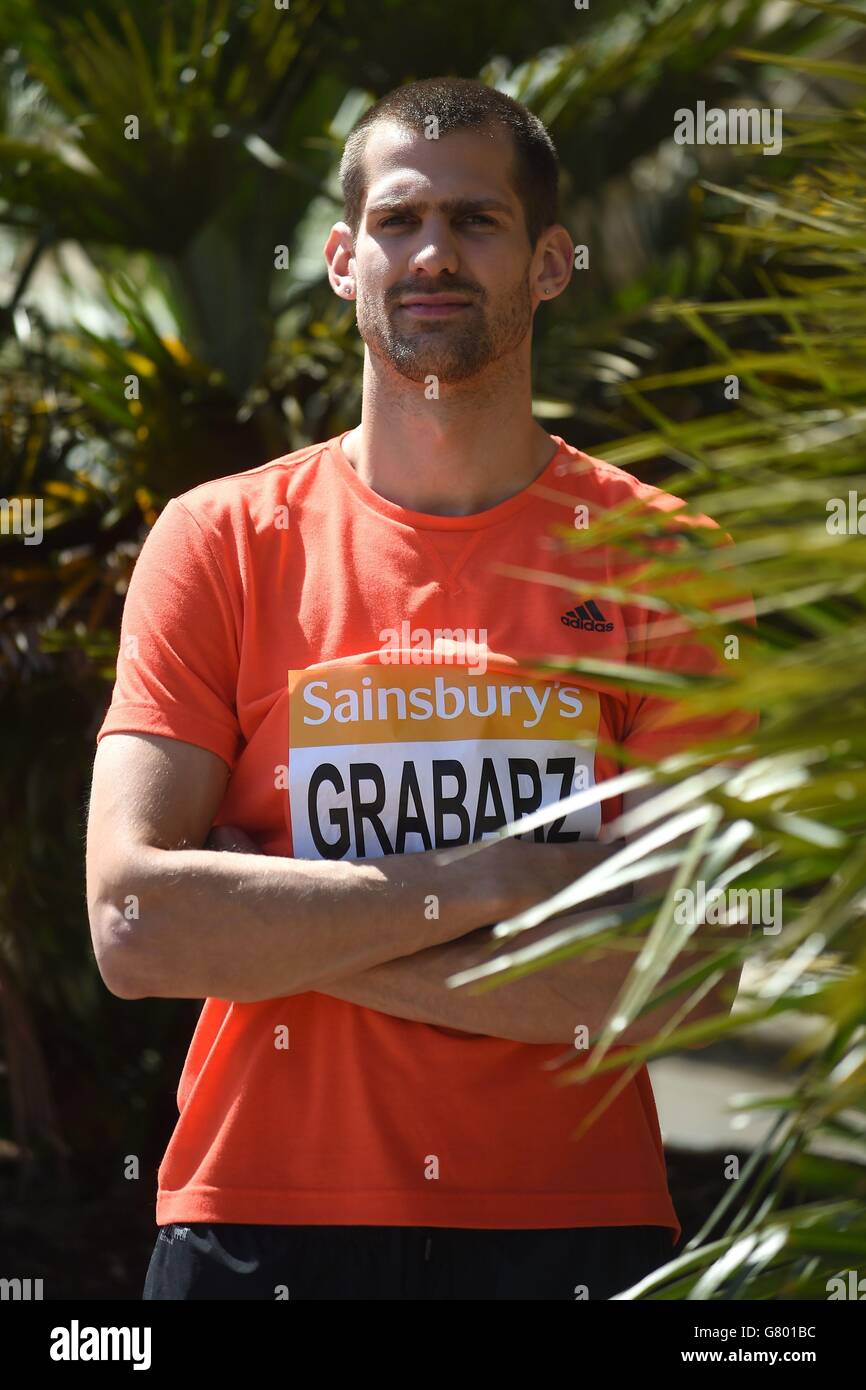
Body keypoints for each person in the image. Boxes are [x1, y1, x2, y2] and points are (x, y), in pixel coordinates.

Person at [85, 76, 757, 1300]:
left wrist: (279, 935)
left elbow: (688, 977)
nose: (431, 251)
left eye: (476, 220)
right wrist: (488, 883)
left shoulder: (667, 559)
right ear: (343, 261)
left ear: (550, 263)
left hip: (568, 1232)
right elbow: (133, 926)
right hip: (253, 1225)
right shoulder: (220, 540)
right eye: (398, 221)